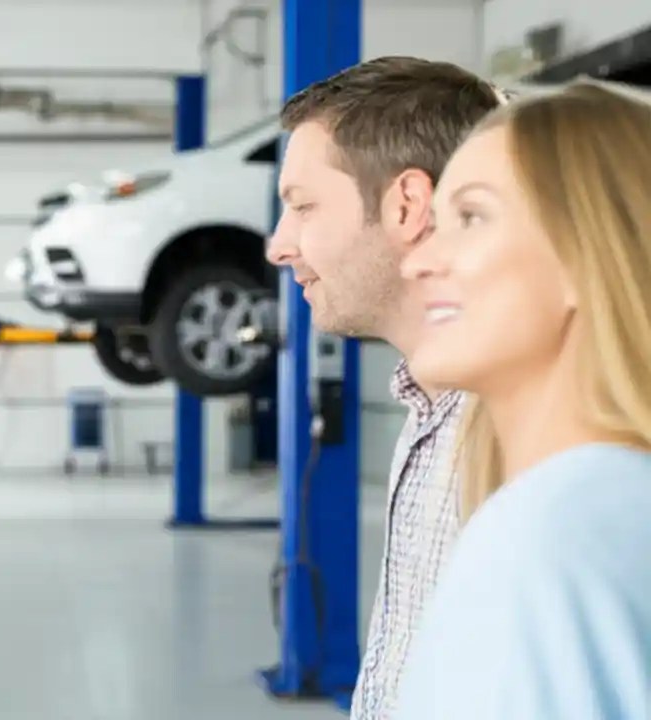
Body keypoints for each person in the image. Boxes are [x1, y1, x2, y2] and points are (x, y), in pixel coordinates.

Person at [393, 80, 651, 719]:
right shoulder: (618, 506)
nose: (417, 263)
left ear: (587, 252)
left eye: (472, 217)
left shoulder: (542, 537)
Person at [265, 56, 504, 719]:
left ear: (407, 204)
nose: (278, 246)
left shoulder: (523, 427)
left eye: (302, 207)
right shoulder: (433, 411)